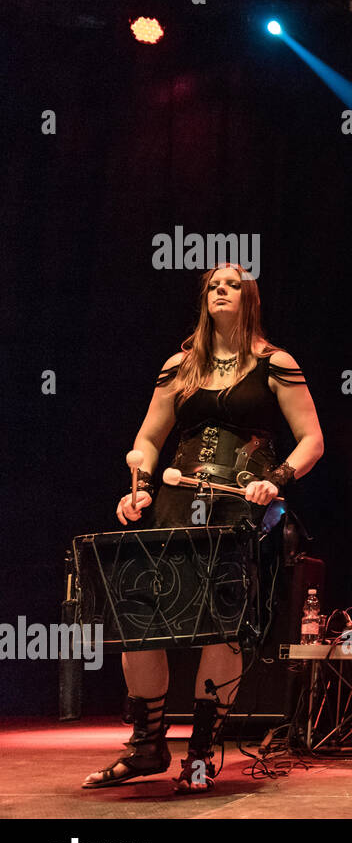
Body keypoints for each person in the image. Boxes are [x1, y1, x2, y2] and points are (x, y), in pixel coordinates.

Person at [84, 263, 324, 793]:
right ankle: (147, 746)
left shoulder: (275, 363)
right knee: (143, 620)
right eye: (212, 285)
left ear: (249, 298)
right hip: (175, 502)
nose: (219, 290)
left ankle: (198, 753)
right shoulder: (181, 365)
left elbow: (311, 439)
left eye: (231, 285)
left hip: (239, 508)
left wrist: (277, 480)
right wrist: (138, 485)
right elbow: (147, 439)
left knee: (223, 623)